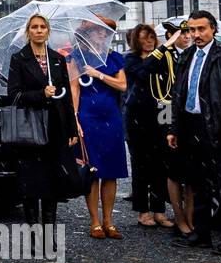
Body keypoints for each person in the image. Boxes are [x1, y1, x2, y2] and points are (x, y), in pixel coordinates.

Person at [167, 10, 221, 255]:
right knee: (198, 183)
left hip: (218, 127)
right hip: (192, 126)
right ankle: (202, 234)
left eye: (201, 29)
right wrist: (174, 128)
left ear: (213, 29)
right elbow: (178, 95)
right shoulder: (187, 56)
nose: (196, 34)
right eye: (192, 30)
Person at [5, 13, 80, 250]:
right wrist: (40, 94)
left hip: (55, 129)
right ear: (28, 31)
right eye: (34, 27)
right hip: (31, 129)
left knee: (52, 183)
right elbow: (13, 95)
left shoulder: (57, 59)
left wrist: (71, 127)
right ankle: (33, 236)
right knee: (31, 184)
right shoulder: (19, 59)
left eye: (42, 27)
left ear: (48, 31)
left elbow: (66, 96)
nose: (39, 31)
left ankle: (49, 235)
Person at [75, 16, 128, 239]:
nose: (102, 35)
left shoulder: (114, 57)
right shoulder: (76, 58)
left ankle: (109, 221)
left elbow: (122, 85)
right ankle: (95, 221)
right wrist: (75, 119)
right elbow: (74, 91)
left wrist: (99, 75)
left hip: (111, 117)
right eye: (98, 31)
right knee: (93, 171)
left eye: (106, 32)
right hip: (88, 117)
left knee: (111, 172)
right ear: (88, 33)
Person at [124, 24, 174, 229]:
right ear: (137, 40)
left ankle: (159, 210)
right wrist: (160, 51)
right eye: (144, 38)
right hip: (138, 118)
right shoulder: (131, 59)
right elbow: (143, 72)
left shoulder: (162, 58)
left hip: (160, 115)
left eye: (152, 37)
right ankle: (143, 211)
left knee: (160, 165)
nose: (149, 41)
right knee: (140, 166)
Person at [151, 20, 194, 236]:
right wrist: (167, 45)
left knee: (192, 169)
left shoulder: (193, 54)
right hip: (165, 109)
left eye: (189, 33)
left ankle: (191, 216)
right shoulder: (164, 54)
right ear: (170, 35)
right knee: (170, 163)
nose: (187, 37)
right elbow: (147, 67)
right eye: (183, 33)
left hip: (188, 112)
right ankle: (176, 215)